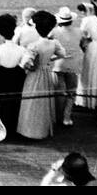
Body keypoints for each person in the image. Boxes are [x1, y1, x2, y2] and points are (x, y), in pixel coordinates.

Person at [18, 9, 63, 140]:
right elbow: (62, 54)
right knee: (44, 101)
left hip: (35, 74)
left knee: (32, 101)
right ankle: (42, 129)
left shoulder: (34, 45)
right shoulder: (53, 43)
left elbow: (25, 63)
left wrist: (28, 66)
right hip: (46, 72)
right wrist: (49, 60)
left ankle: (30, 130)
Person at [50, 6, 83, 126]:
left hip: (59, 64)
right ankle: (66, 117)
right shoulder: (79, 32)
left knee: (60, 92)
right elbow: (83, 45)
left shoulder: (54, 32)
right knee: (71, 92)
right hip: (73, 65)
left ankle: (58, 117)